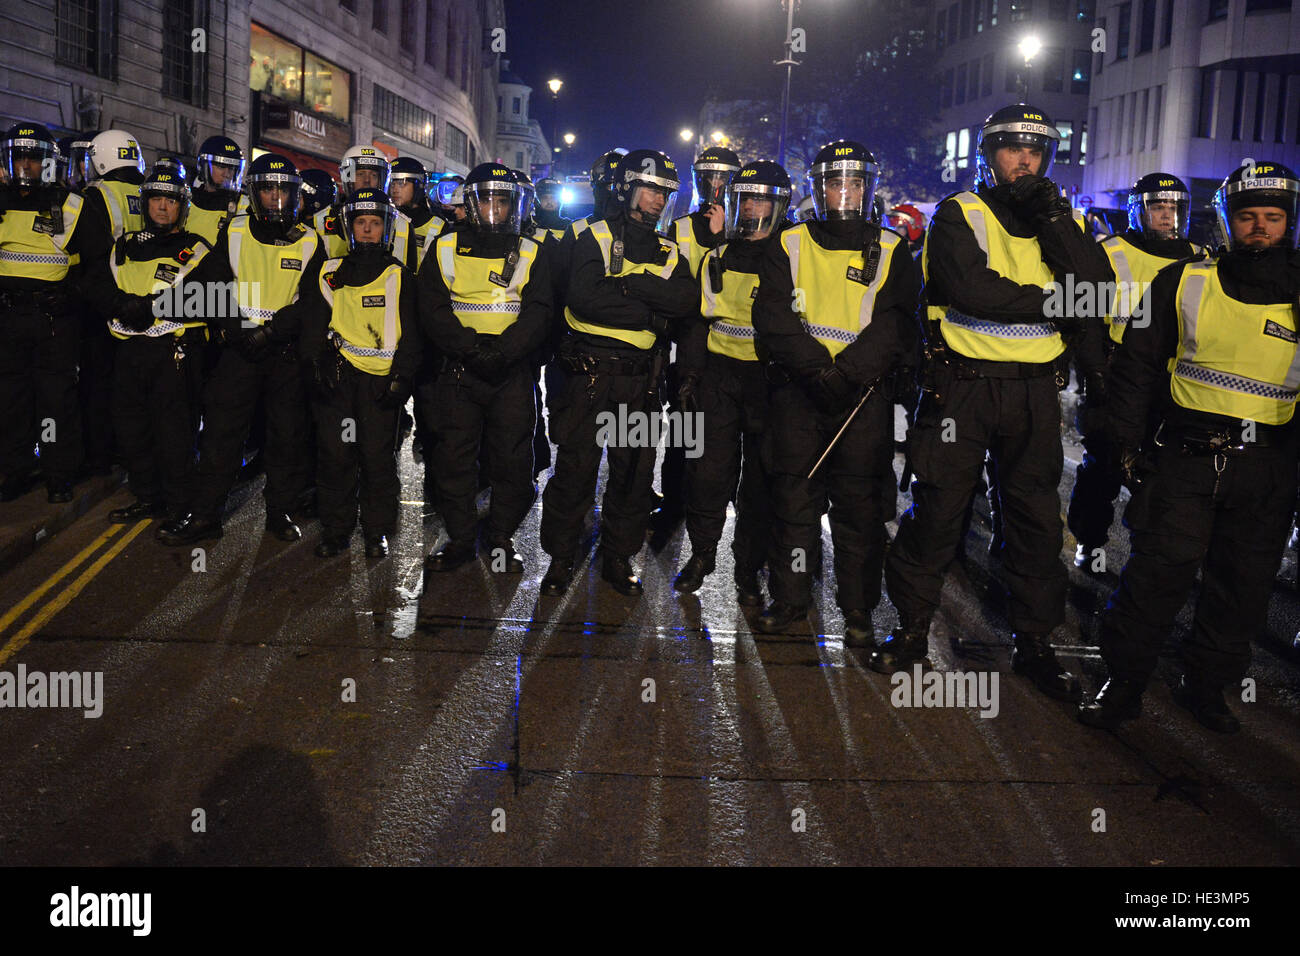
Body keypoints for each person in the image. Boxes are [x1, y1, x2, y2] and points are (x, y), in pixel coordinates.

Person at [878, 104, 1111, 699]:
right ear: (989, 154)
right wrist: (1057, 300)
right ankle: (909, 631)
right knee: (938, 510)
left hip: (1034, 394)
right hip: (964, 388)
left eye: (1036, 150)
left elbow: (1098, 292)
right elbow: (971, 290)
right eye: (1012, 148)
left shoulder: (1066, 222)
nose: (1025, 159)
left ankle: (1034, 643)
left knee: (1035, 520)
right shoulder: (963, 212)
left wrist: (1055, 221)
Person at [1078, 161, 1300, 734]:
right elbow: (1136, 368)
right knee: (1156, 575)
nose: (1259, 229)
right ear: (1226, 219)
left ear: (1289, 222)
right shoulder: (1183, 280)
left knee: (1241, 586)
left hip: (1268, 467)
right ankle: (1122, 683)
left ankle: (1206, 687)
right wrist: (1127, 447)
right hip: (1185, 458)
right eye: (1247, 217)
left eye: (1272, 218)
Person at [751, 141, 917, 640]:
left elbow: (896, 322)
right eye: (834, 183)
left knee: (859, 513)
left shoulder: (892, 248)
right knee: (794, 506)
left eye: (854, 184)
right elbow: (773, 317)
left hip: (861, 399)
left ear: (868, 190)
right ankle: (791, 599)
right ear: (817, 189)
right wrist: (818, 372)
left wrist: (847, 374)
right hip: (800, 396)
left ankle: (859, 610)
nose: (844, 193)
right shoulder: (789, 243)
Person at [538, 148, 697, 595]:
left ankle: (617, 557)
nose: (657, 202)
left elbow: (686, 303)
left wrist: (630, 286)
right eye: (649, 190)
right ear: (626, 188)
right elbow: (584, 298)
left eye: (664, 194)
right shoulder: (588, 234)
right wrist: (652, 313)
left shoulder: (669, 250)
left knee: (632, 476)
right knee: (574, 471)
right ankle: (561, 558)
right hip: (586, 378)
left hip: (638, 381)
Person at [158, 153, 324, 545]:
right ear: (255, 192)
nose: (275, 198)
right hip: (239, 352)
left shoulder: (309, 240)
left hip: (283, 354)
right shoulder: (233, 232)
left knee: (286, 438)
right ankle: (205, 516)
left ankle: (279, 512)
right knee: (220, 437)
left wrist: (270, 333)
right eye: (267, 189)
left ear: (295, 195)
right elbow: (210, 286)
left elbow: (314, 304)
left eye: (283, 191)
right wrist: (242, 331)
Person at [1067, 173, 1207, 570]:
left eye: (1174, 208)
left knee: (1167, 473)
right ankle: (1091, 540)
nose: (1166, 215)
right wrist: (1093, 373)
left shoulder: (1201, 254)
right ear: (1138, 211)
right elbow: (1086, 317)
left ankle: (1151, 555)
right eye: (1157, 207)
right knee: (1104, 467)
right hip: (1116, 376)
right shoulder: (1110, 252)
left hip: (1173, 379)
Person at [419, 163, 551, 572]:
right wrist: (472, 350)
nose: (495, 208)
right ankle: (459, 538)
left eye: (503, 200)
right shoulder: (443, 246)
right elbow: (433, 309)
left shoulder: (531, 250)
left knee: (512, 460)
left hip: (510, 373)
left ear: (515, 205)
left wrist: (505, 352)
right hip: (460, 371)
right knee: (454, 458)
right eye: (488, 199)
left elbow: (540, 311)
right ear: (472, 204)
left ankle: (500, 538)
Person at [673, 159, 791, 605]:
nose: (754, 209)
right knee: (707, 474)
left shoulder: (791, 258)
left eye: (762, 200)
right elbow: (696, 322)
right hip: (718, 379)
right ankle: (702, 556)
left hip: (768, 381)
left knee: (760, 482)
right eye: (747, 199)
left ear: (778, 206)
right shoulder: (718, 256)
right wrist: (689, 374)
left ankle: (749, 568)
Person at [299, 188, 419, 558]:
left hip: (380, 386)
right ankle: (336, 531)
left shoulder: (400, 276)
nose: (367, 230)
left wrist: (403, 377)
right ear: (350, 229)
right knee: (336, 457)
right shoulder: (329, 273)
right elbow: (312, 328)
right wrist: (317, 367)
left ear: (385, 230)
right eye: (361, 223)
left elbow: (414, 334)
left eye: (375, 223)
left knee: (377, 459)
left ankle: (376, 531)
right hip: (339, 379)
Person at [0, 123, 109, 502]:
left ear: (48, 163)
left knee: (54, 401)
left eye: (34, 158)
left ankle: (58, 472)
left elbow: (98, 267)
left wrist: (73, 296)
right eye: (20, 157)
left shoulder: (73, 206)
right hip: (8, 317)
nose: (26, 165)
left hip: (53, 320)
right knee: (10, 399)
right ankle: (14, 470)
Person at [99, 168, 210, 522]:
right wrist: (121, 306)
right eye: (156, 200)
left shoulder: (198, 248)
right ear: (146, 204)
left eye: (171, 201)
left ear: (182, 206)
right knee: (133, 430)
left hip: (173, 355)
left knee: (174, 436)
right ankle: (147, 498)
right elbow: (99, 285)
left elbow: (212, 299)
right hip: (130, 353)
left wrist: (150, 308)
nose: (162, 208)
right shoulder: (125, 244)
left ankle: (180, 508)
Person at [389, 157, 445, 272]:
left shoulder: (439, 226)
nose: (395, 190)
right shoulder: (384, 219)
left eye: (401, 183)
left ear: (418, 185)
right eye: (392, 184)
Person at [187, 136, 246, 247]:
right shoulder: (187, 200)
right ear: (204, 166)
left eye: (232, 168)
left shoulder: (243, 204)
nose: (227, 174)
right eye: (221, 166)